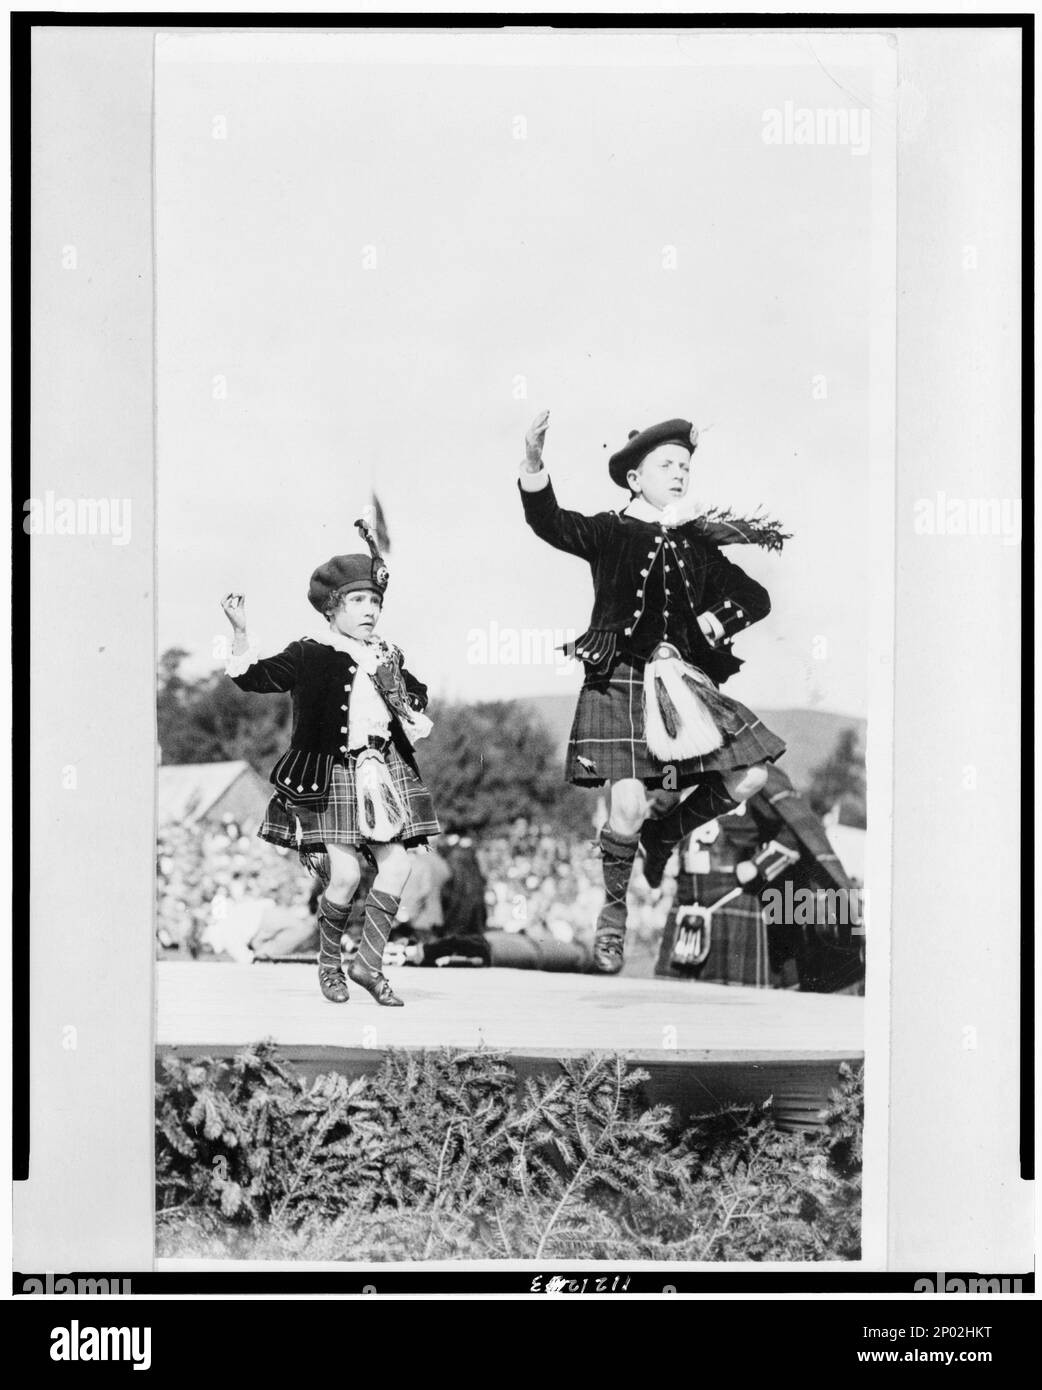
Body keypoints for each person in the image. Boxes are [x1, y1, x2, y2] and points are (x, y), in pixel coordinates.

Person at [519, 409, 788, 974]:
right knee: (627, 803)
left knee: (753, 774)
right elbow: (550, 523)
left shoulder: (698, 544)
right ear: (634, 479)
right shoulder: (610, 530)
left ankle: (664, 836)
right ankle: (612, 920)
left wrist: (717, 622)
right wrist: (534, 462)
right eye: (666, 464)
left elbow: (756, 597)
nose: (680, 473)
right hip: (620, 676)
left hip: (683, 686)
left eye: (686, 465)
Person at [220, 519, 440, 1007]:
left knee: (398, 866)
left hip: (383, 771)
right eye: (358, 602)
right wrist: (239, 633)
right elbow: (255, 677)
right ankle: (328, 966)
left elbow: (416, 697)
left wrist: (402, 694)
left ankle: (367, 964)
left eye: (376, 601)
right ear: (331, 607)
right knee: (343, 877)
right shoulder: (311, 653)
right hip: (331, 773)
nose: (370, 611)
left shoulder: (386, 653)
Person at [656, 763, 863, 992]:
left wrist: (760, 865)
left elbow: (795, 830)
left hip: (734, 896)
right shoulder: (683, 772)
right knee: (675, 1000)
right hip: (687, 898)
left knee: (737, 1006)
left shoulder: (754, 772)